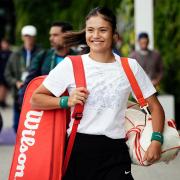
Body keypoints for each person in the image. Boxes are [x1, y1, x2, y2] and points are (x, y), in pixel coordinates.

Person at [31, 7, 165, 180]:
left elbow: (155, 107)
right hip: (78, 150)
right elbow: (36, 99)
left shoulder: (130, 67)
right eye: (90, 30)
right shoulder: (71, 64)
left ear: (115, 35)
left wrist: (156, 140)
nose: (96, 35)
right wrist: (65, 101)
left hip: (115, 152)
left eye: (103, 30)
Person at [18, 21, 76, 108]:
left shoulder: (77, 58)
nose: (51, 38)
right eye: (50, 35)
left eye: (55, 35)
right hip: (45, 108)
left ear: (68, 35)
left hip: (70, 109)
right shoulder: (43, 56)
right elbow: (29, 82)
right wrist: (23, 102)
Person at [4, 25, 42, 132]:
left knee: (33, 125)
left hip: (35, 93)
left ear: (35, 37)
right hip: (18, 94)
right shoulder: (15, 54)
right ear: (22, 37)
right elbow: (7, 73)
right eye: (26, 36)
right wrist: (15, 82)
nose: (28, 39)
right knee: (17, 125)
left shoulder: (41, 53)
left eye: (31, 36)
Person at [0, 38, 12, 107]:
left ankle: (3, 100)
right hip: (1, 73)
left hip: (8, 73)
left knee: (6, 88)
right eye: (3, 43)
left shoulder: (11, 53)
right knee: (2, 87)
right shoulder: (1, 53)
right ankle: (1, 101)